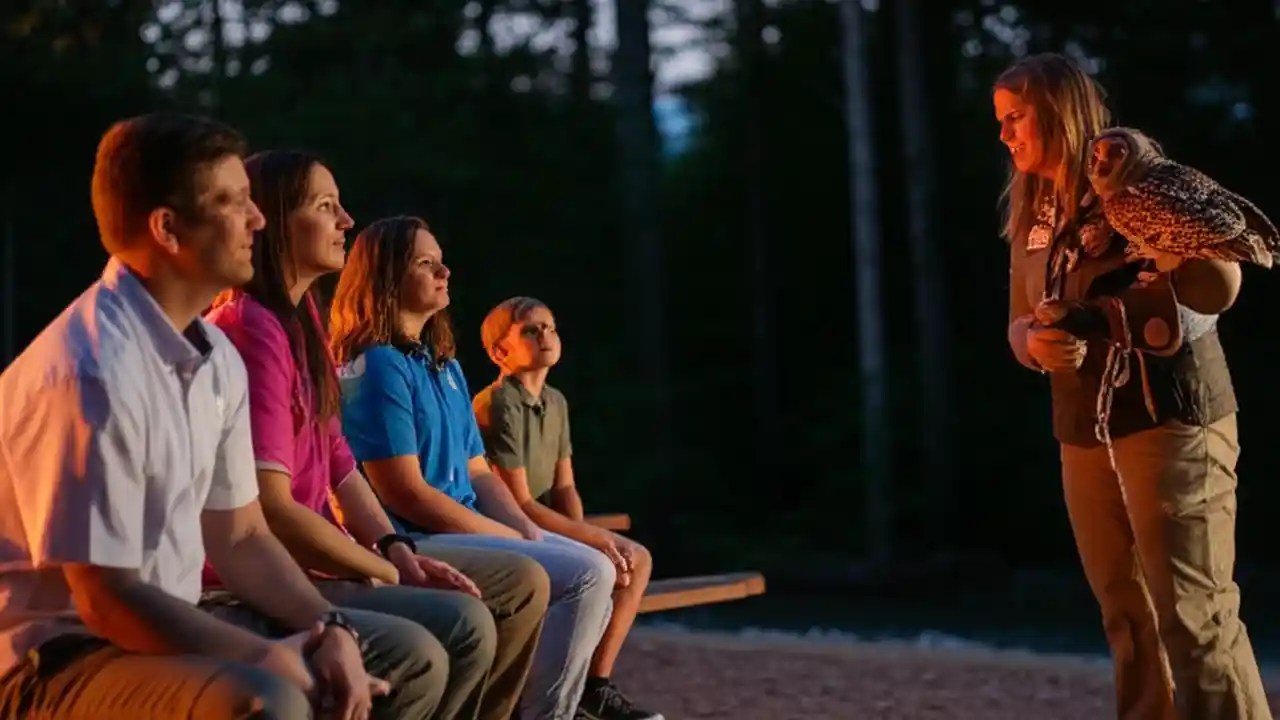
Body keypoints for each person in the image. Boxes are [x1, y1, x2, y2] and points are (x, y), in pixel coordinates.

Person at [0, 113, 445, 719]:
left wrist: (330, 626)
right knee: (270, 700)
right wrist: (262, 658)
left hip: (169, 621)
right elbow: (106, 597)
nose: (257, 219)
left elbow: (241, 535)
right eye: (234, 202)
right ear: (167, 228)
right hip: (59, 658)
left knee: (401, 657)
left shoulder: (213, 360)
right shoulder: (94, 370)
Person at [204, 149, 552, 720]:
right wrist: (384, 566)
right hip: (257, 577)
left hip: (320, 557)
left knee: (518, 582)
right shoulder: (251, 329)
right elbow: (273, 506)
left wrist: (392, 546)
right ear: (270, 221)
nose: (346, 221)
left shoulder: (304, 320)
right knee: (456, 627)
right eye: (326, 207)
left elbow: (338, 459)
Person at [995, 53, 1270, 720]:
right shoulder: (1036, 208)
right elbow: (1017, 323)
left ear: (1059, 112)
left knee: (1193, 615)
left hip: (1170, 416)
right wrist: (1036, 343)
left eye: (1016, 118)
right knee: (1126, 613)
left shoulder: (1134, 181)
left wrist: (1111, 317)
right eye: (1000, 122)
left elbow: (1218, 288)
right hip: (1084, 428)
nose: (1005, 136)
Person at [328, 216, 625, 720]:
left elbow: (479, 472)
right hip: (412, 536)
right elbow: (405, 493)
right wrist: (507, 539)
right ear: (385, 277)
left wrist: (525, 528)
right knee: (582, 573)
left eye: (440, 258)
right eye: (425, 262)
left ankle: (550, 708)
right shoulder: (377, 365)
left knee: (593, 566)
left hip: (464, 525)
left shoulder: (444, 365)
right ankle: (543, 713)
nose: (445, 270)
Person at [473, 297, 661, 720]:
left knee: (632, 563)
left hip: (539, 518)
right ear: (499, 352)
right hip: (504, 523)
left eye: (550, 328)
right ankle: (567, 692)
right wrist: (589, 544)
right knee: (625, 559)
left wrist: (586, 538)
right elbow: (517, 503)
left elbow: (565, 488)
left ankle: (593, 685)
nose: (545, 336)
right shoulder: (499, 402)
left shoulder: (555, 402)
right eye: (530, 330)